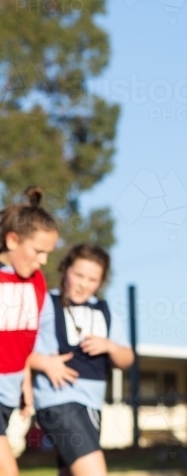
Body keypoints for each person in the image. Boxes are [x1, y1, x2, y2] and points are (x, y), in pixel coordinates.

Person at [29, 244, 134, 476]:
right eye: (78, 275)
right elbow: (16, 347)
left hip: (92, 405)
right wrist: (45, 362)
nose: (84, 284)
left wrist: (109, 346)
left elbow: (127, 359)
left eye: (92, 279)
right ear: (65, 269)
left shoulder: (105, 312)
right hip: (57, 400)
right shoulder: (45, 303)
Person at [0, 187, 59, 476]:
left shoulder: (36, 284)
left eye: (48, 253)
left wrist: (24, 384)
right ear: (12, 240)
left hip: (8, 394)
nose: (44, 261)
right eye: (38, 251)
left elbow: (20, 343)